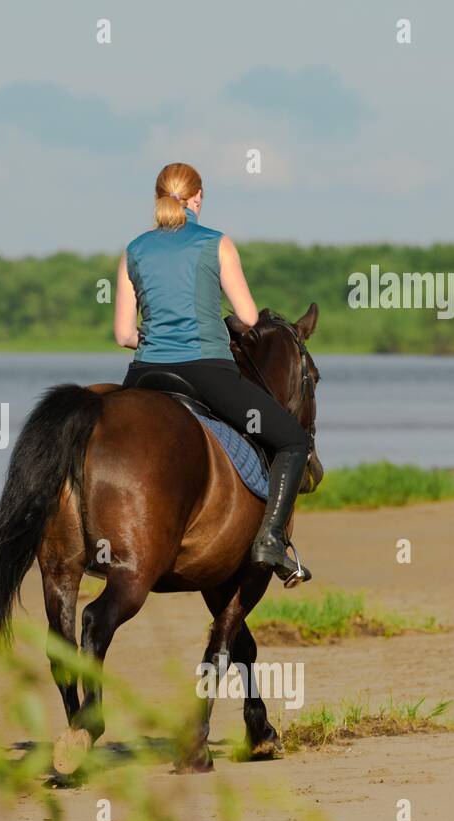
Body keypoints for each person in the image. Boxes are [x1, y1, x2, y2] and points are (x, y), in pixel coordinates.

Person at [112, 162, 311, 577]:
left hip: (144, 375)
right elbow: (248, 316)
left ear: (158, 198)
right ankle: (271, 541)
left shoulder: (134, 250)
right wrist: (231, 326)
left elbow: (123, 334)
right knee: (292, 441)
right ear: (198, 198)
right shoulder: (217, 244)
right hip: (205, 373)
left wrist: (152, 338)